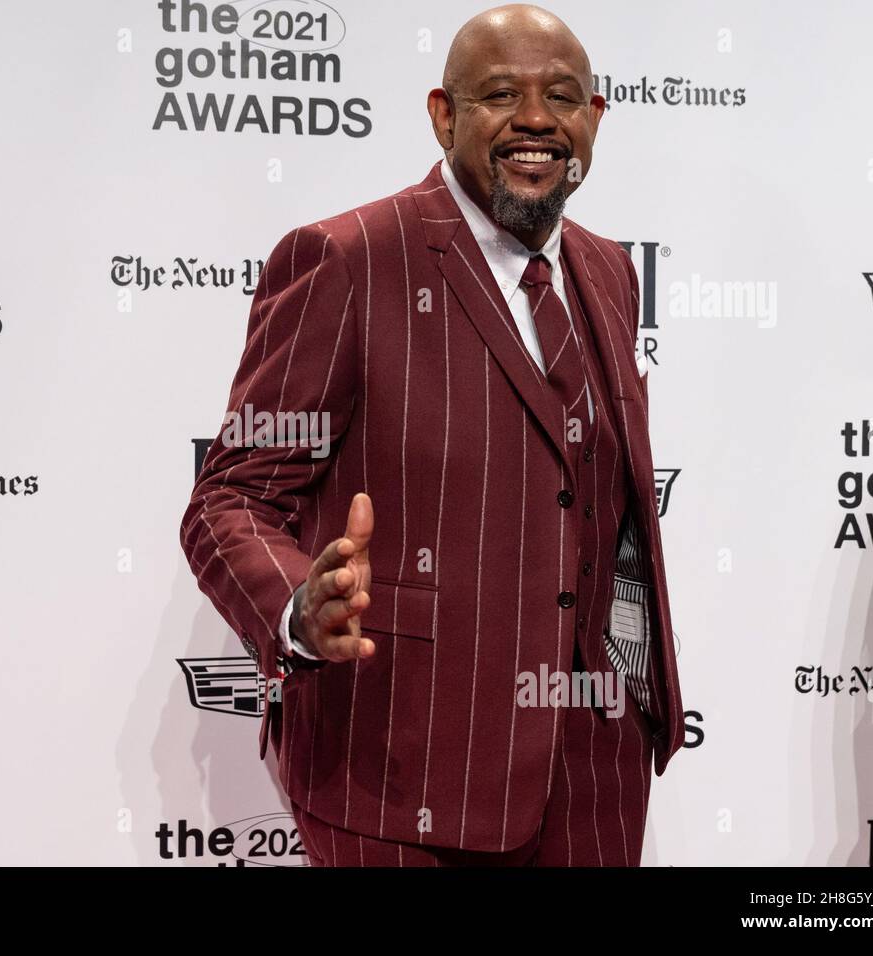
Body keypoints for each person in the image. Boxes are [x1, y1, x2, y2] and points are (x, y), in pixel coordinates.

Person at [181, 3, 684, 866]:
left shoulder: (607, 267)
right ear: (443, 114)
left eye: (562, 97)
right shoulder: (347, 258)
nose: (536, 119)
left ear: (594, 119)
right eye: (500, 94)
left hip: (597, 778)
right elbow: (230, 497)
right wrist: (299, 605)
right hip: (406, 770)